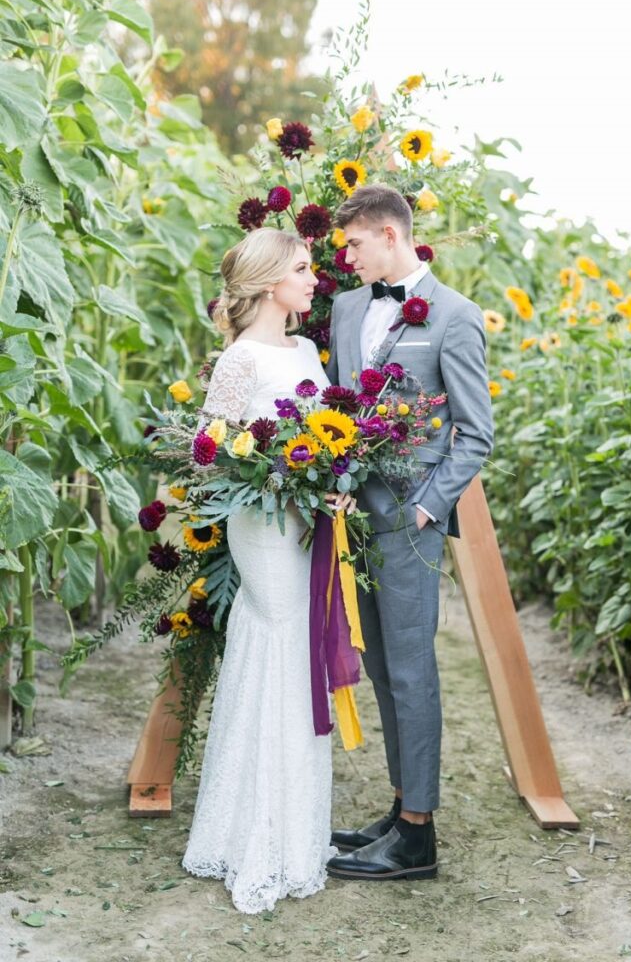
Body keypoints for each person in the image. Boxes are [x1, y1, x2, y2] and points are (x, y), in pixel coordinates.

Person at [181, 228, 353, 913]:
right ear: (267, 281)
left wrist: (330, 480)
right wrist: (269, 471)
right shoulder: (239, 360)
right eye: (304, 269)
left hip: (307, 520)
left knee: (296, 648)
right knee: (278, 640)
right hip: (261, 521)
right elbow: (204, 454)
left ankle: (293, 831)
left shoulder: (307, 350)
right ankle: (259, 836)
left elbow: (324, 433)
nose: (314, 280)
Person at [325, 184, 494, 881]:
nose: (347, 257)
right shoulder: (342, 308)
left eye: (355, 245)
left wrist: (426, 509)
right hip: (351, 520)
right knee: (380, 669)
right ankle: (400, 808)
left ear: (389, 236)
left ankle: (418, 836)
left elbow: (475, 432)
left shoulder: (454, 318)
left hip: (409, 519)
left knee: (411, 666)